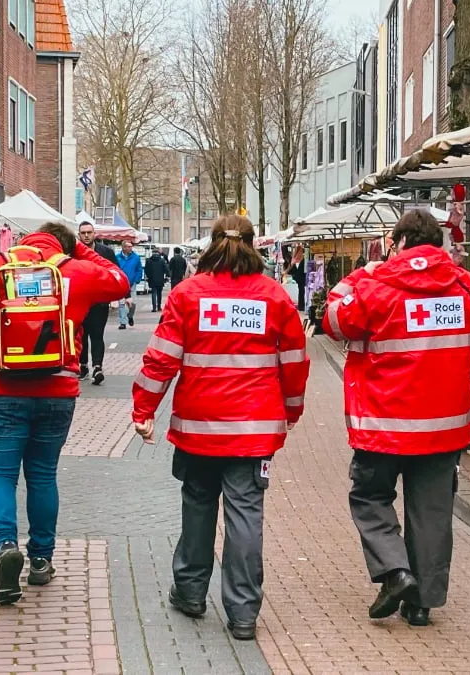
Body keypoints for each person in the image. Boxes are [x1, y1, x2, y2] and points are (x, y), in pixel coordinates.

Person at [133, 215, 310, 641]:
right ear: (253, 245)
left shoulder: (187, 294)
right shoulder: (274, 296)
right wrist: (292, 410)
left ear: (212, 245)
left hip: (199, 426)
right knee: (245, 513)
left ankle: (190, 592)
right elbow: (294, 362)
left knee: (198, 506)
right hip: (254, 429)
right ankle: (243, 612)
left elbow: (161, 358)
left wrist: (144, 410)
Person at [0, 222, 130, 604]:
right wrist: (80, 251)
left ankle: (4, 546)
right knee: (43, 475)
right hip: (57, 389)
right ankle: (41, 560)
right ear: (67, 245)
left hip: (3, 389)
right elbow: (120, 281)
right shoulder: (76, 270)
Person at [321, 209, 470, 627]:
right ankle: (421, 603)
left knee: (370, 497)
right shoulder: (464, 285)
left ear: (401, 242)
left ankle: (395, 571)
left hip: (385, 422)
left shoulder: (375, 287)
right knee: (432, 511)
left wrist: (362, 273)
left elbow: (334, 321)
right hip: (444, 425)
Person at [77, 216, 120, 384]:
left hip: (99, 302)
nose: (86, 235)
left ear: (94, 233)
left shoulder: (105, 252)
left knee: (97, 334)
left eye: (89, 232)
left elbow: (116, 272)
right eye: (83, 233)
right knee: (81, 335)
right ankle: (83, 365)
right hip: (80, 301)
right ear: (79, 235)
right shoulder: (73, 252)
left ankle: (97, 367)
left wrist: (116, 296)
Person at [115, 240, 144, 329]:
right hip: (121, 283)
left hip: (132, 283)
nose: (130, 248)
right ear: (123, 247)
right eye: (128, 247)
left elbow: (139, 269)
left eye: (131, 246)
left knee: (133, 303)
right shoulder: (117, 257)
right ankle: (123, 322)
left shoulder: (136, 257)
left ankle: (130, 315)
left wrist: (137, 279)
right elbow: (114, 269)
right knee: (121, 303)